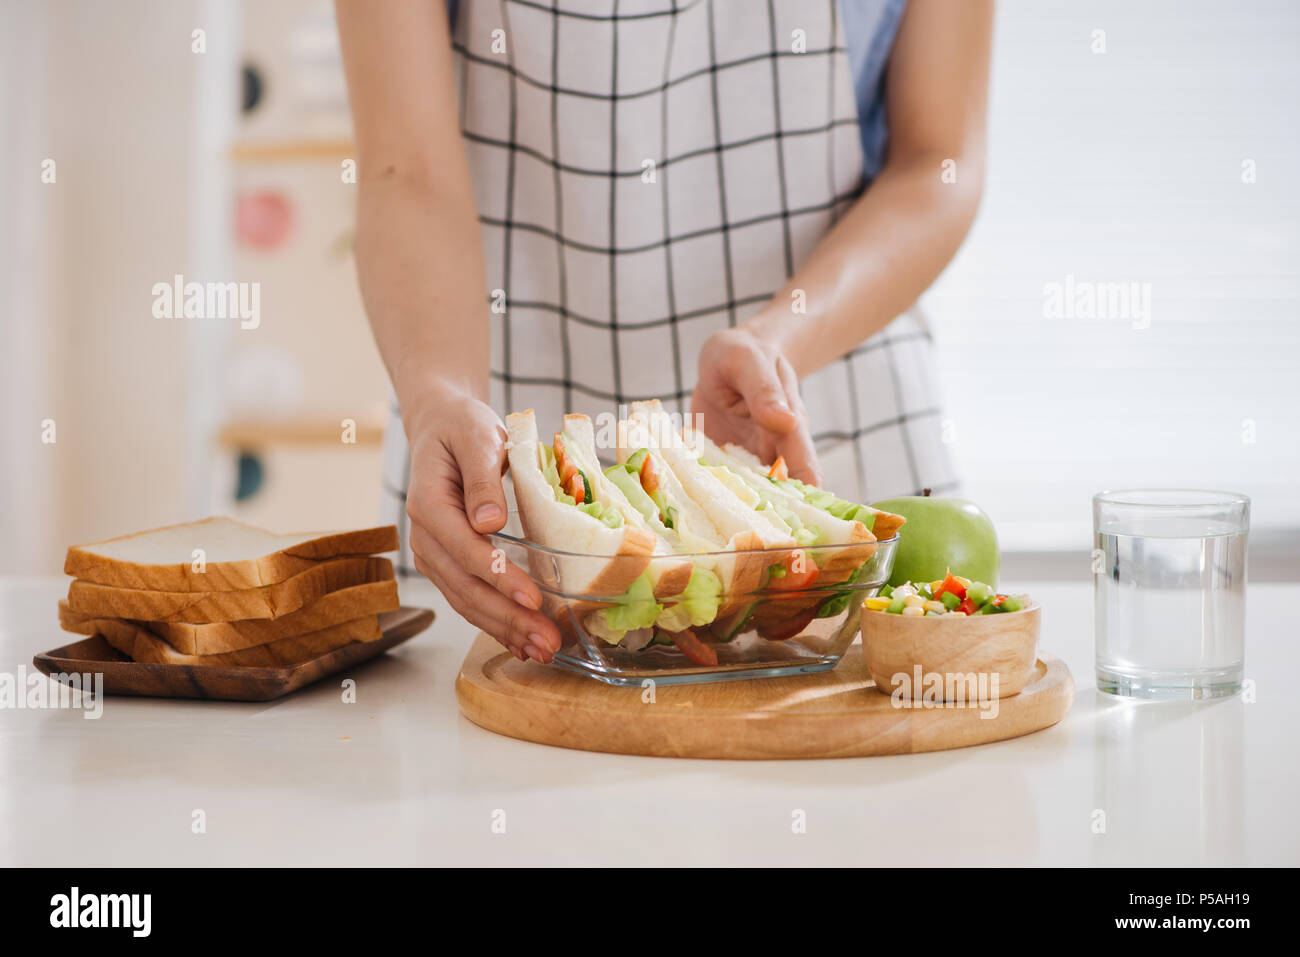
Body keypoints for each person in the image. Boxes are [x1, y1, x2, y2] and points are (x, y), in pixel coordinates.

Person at [335, 0, 992, 663]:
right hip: (494, 468)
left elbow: (938, 163)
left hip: (837, 415)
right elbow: (404, 169)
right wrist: (438, 399)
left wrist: (776, 343)